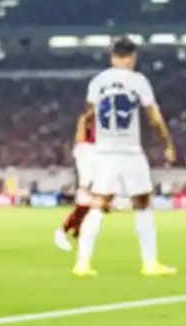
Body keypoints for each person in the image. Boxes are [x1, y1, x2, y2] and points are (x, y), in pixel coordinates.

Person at [73, 37, 177, 277]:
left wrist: (83, 146)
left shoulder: (97, 82)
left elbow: (87, 115)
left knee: (99, 204)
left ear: (112, 57)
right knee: (142, 203)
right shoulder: (138, 81)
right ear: (132, 57)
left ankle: (82, 263)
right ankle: (150, 264)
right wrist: (167, 143)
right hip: (129, 151)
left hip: (104, 152)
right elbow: (153, 115)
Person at [54, 106, 97, 251]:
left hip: (92, 166)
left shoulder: (91, 145)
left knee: (87, 207)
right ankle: (63, 231)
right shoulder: (83, 147)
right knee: (85, 205)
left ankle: (76, 231)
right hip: (88, 174)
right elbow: (83, 124)